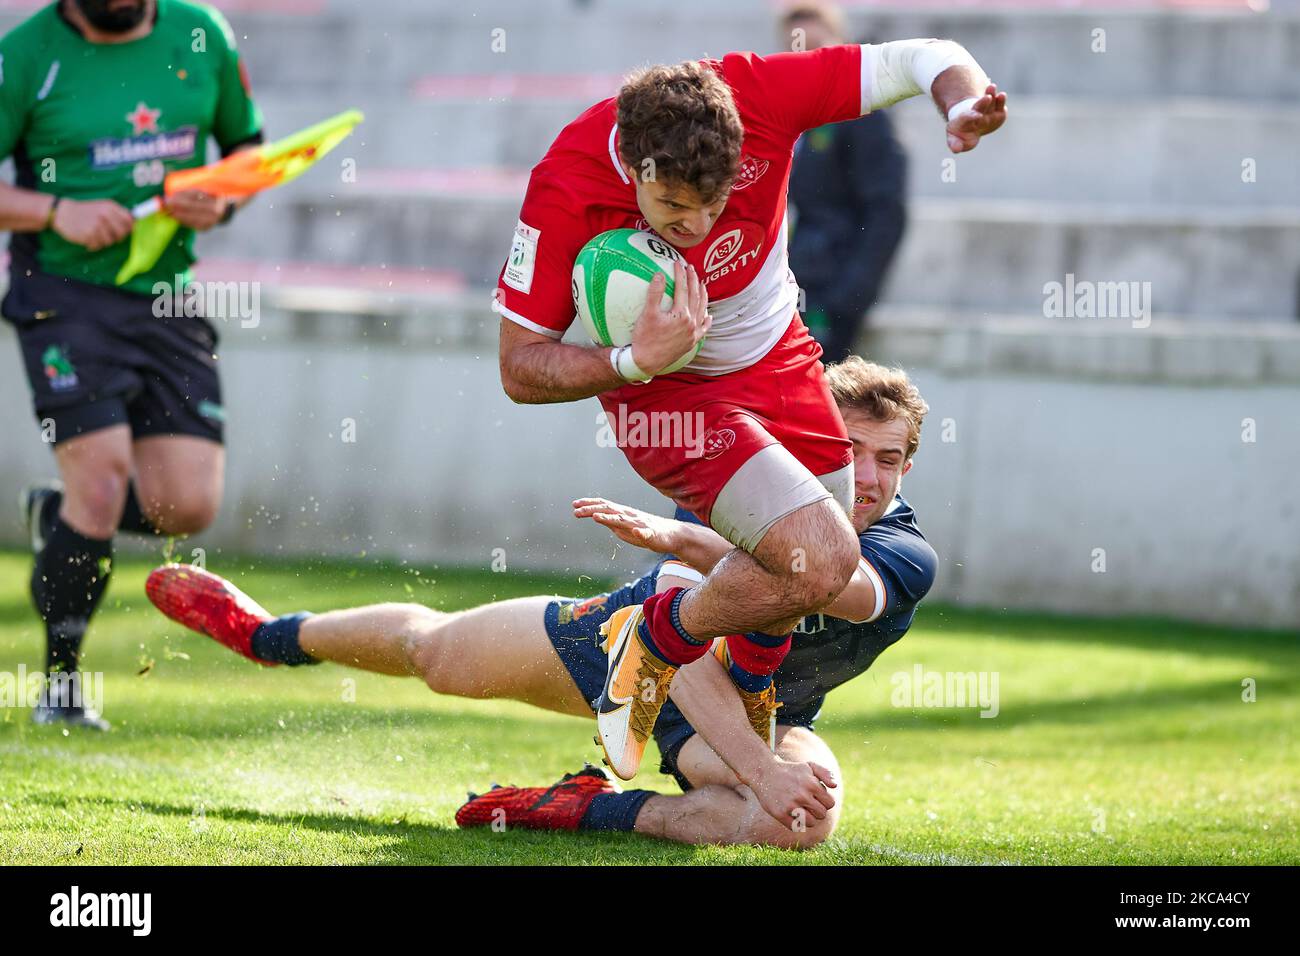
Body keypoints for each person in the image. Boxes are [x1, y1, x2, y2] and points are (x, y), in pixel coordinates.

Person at [146, 358, 937, 847]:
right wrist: (760, 770)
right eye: (845, 450)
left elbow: (839, 585)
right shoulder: (753, 496)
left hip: (759, 712)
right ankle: (268, 635)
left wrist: (767, 772)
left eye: (888, 459)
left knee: (799, 821)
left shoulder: (906, 555)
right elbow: (679, 651)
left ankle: (583, 807)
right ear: (804, 441)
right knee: (438, 655)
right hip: (631, 649)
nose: (863, 477)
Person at [492, 37, 1002, 778]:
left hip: (781, 360)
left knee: (810, 573)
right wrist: (635, 361)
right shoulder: (566, 181)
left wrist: (960, 99)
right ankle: (661, 638)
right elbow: (519, 367)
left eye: (717, 202)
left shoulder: (760, 94)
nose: (698, 228)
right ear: (635, 169)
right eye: (673, 207)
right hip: (667, 394)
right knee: (825, 554)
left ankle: (748, 671)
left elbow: (922, 55)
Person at [0, 0, 263, 729]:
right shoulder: (24, 56)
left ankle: (57, 516)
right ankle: (61, 688)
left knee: (187, 508)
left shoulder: (201, 32)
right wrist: (55, 210)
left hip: (168, 299)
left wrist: (224, 200)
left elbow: (249, 151)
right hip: (62, 296)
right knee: (103, 478)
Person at [782, 2, 908, 363]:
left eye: (817, 50)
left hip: (833, 291)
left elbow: (887, 209)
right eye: (797, 52)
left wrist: (849, 297)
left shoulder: (864, 114)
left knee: (832, 402)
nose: (807, 59)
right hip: (798, 285)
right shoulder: (796, 118)